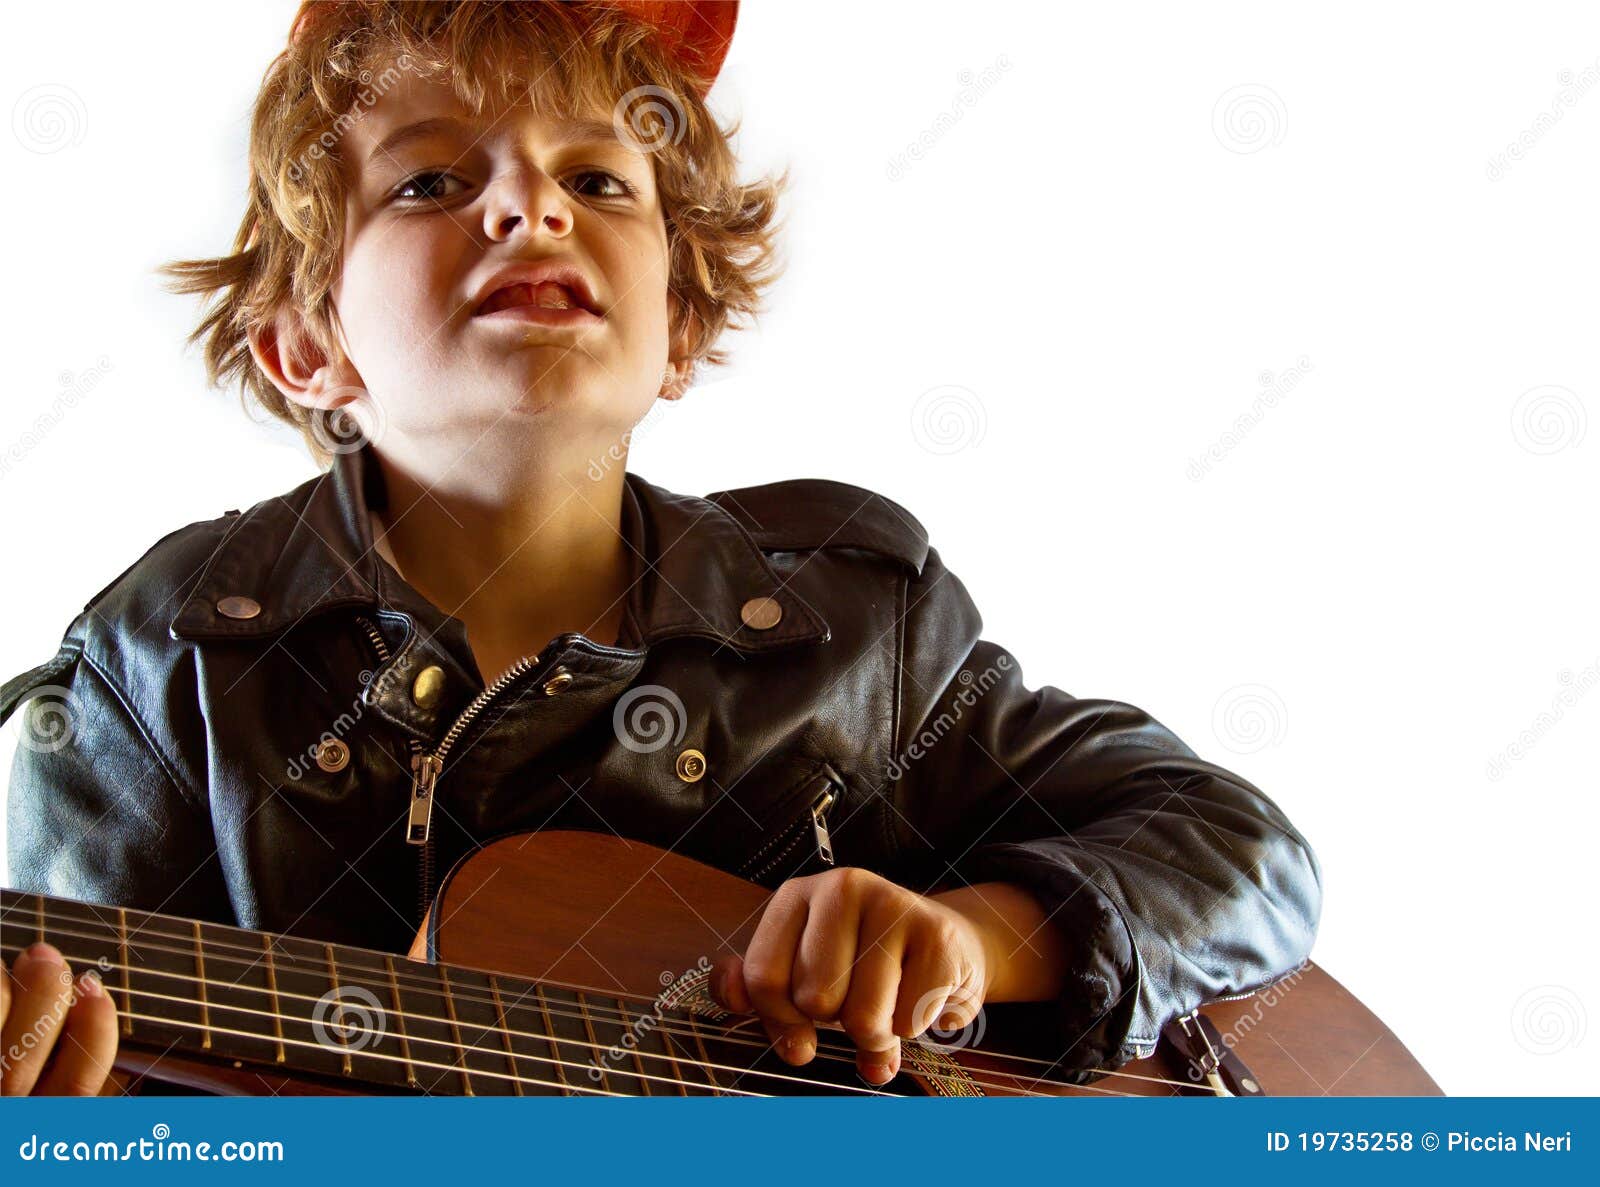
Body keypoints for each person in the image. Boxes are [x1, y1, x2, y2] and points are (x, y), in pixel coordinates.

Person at [0, 0, 1321, 1096]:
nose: (529, 205)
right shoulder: (156, 672)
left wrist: (969, 942)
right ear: (308, 344)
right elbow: (115, 1107)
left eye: (596, 179)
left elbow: (1238, 851)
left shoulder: (851, 629)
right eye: (433, 181)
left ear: (679, 327)